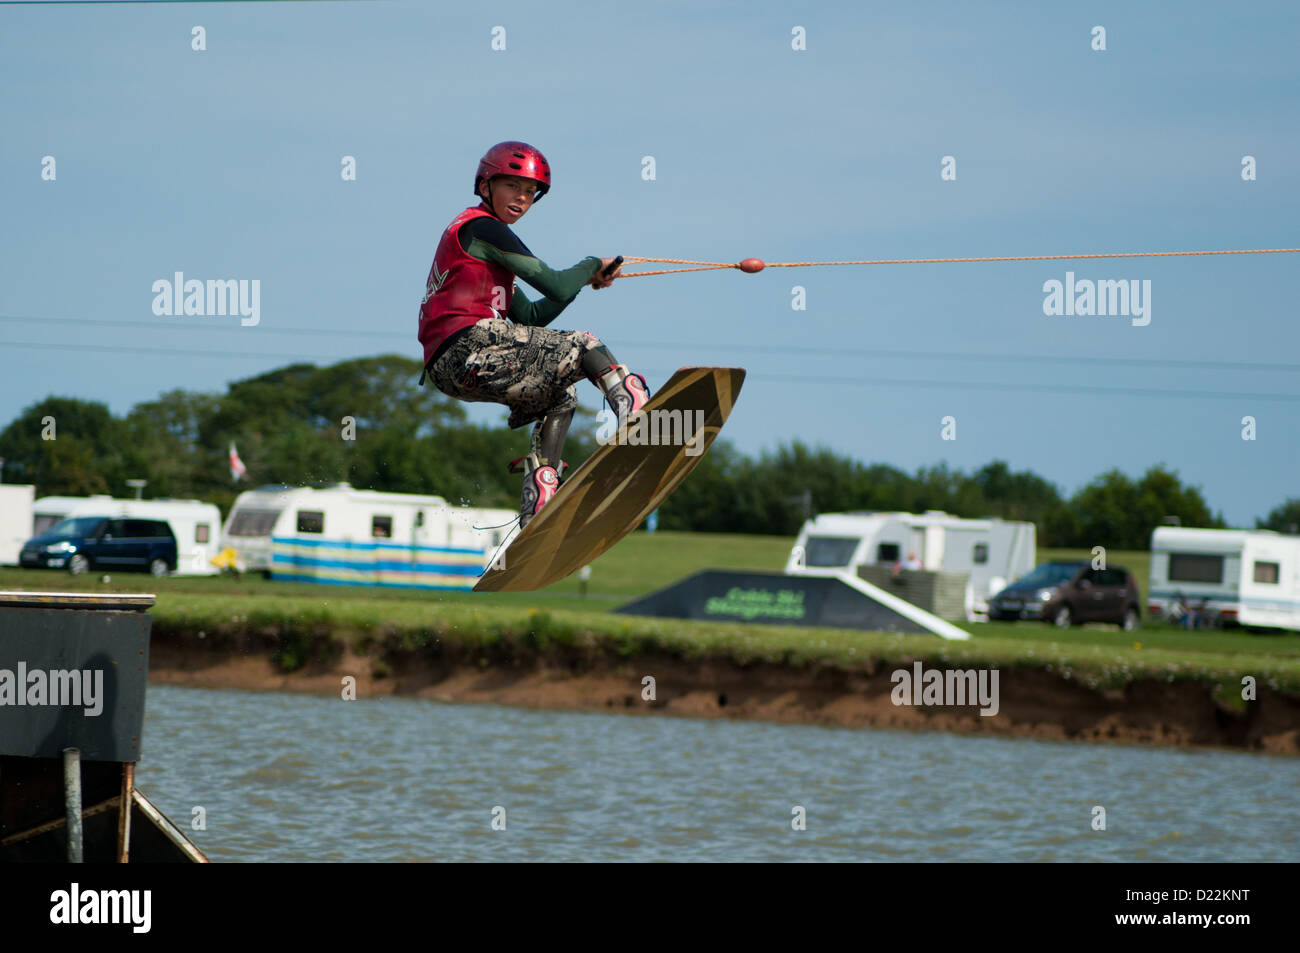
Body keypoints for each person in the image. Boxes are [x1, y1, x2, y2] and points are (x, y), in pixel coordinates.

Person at [417, 141, 650, 528]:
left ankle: (540, 490)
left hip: (453, 369)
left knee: (560, 395)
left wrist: (583, 282)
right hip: (469, 346)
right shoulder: (482, 227)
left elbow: (531, 316)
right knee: (583, 345)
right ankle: (633, 408)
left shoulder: (484, 253)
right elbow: (556, 285)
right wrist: (592, 264)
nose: (522, 198)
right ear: (486, 185)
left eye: (530, 192)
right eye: (512, 186)